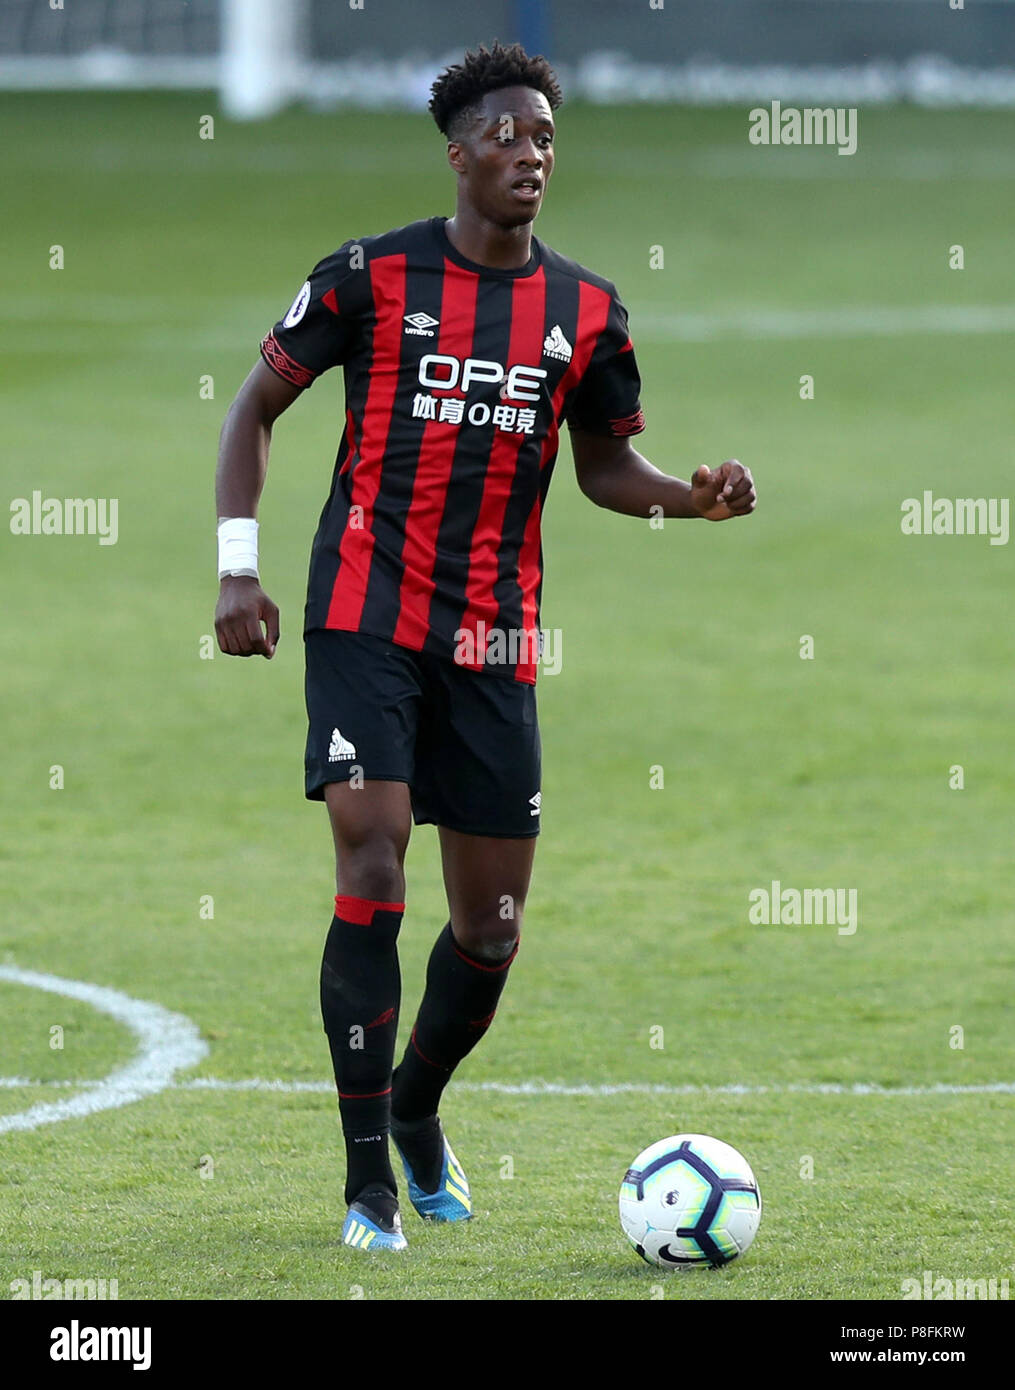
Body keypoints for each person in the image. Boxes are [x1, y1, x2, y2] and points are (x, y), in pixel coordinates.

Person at [214, 41, 756, 1253]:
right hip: (362, 610)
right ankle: (365, 1185)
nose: (530, 154)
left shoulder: (589, 309)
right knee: (371, 856)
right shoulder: (367, 277)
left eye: (546, 137)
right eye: (507, 136)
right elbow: (253, 406)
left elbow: (607, 465)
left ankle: (414, 1109)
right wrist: (235, 567)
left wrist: (692, 497)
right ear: (458, 155)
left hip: (494, 634)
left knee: (490, 927)